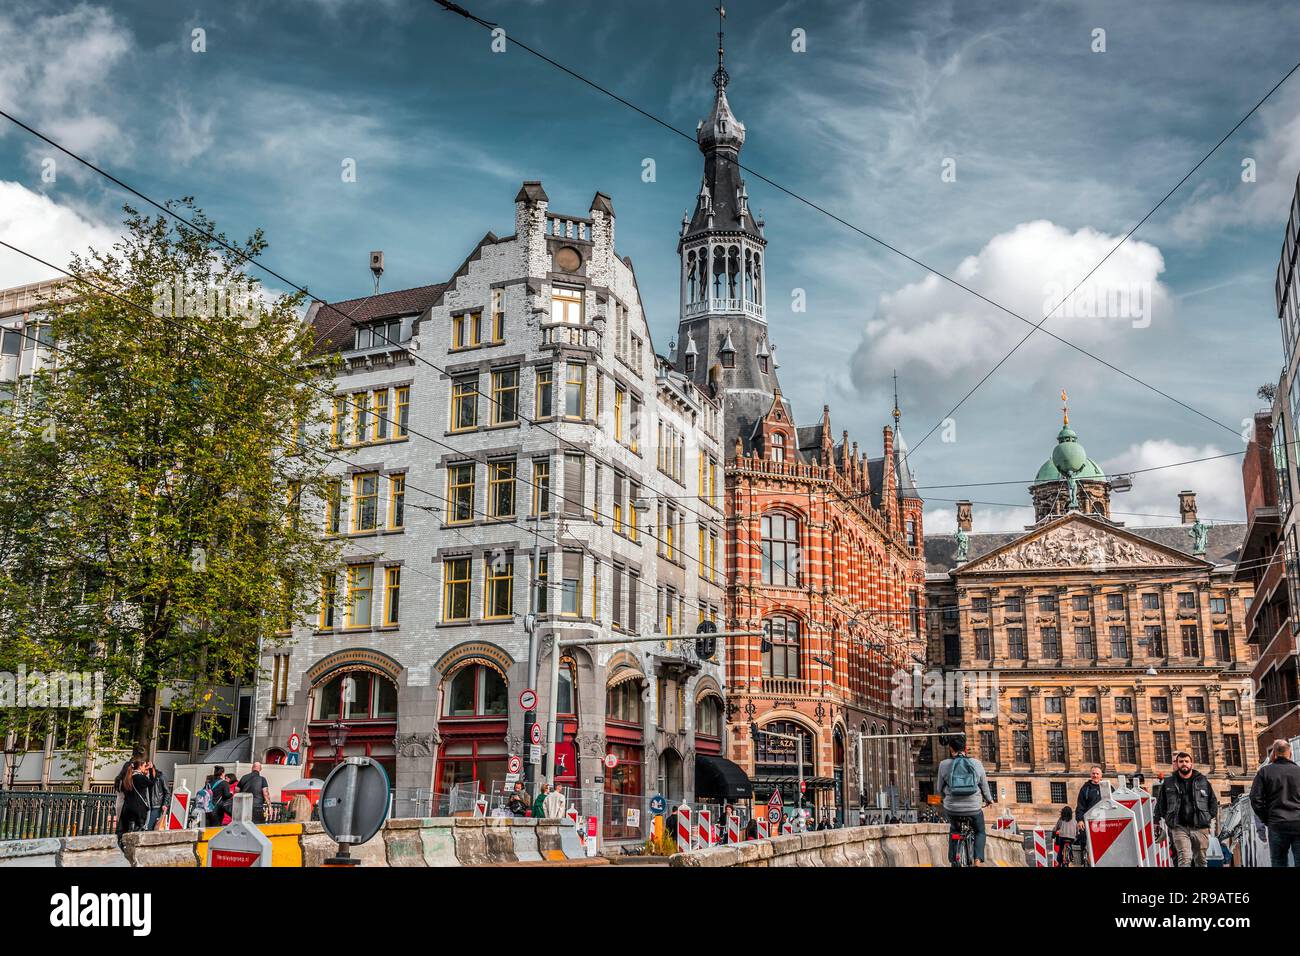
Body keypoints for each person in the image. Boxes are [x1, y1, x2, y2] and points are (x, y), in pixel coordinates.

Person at [1153, 750, 1217, 867]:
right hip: (1179, 827)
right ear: (1177, 764)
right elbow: (1160, 804)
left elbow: (1212, 801)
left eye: (1186, 761)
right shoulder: (1168, 782)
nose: (1184, 764)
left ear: (1191, 764)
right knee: (1185, 858)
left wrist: (1207, 817)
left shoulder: (1203, 781)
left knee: (1201, 860)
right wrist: (1158, 820)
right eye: (1181, 761)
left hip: (1200, 826)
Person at [936, 734, 993, 866]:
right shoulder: (976, 763)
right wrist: (989, 800)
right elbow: (984, 785)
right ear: (965, 748)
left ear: (951, 749)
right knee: (980, 831)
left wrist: (944, 800)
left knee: (954, 831)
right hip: (973, 808)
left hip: (952, 809)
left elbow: (939, 788)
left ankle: (954, 860)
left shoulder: (943, 765)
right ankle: (978, 860)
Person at [1250, 738, 1300, 867]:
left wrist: (1267, 819)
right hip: (1298, 823)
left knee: (1278, 863)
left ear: (1274, 754)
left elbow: (1255, 799)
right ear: (1290, 754)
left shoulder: (1264, 772)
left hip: (1277, 824)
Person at [1074, 765, 1103, 863]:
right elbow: (1080, 805)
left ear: (1101, 775)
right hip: (1089, 822)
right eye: (1093, 773)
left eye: (1097, 774)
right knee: (1088, 846)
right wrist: (1080, 820)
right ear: (1090, 775)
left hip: (1104, 822)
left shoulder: (1107, 787)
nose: (1095, 775)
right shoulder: (1085, 788)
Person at [115, 760, 151, 837]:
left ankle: (122, 841)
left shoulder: (121, 779)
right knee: (133, 827)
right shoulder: (132, 778)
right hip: (131, 804)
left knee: (123, 827)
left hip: (121, 804)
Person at [143, 761, 170, 830]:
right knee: (146, 828)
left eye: (146, 769)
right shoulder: (145, 777)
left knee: (150, 828)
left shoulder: (160, 777)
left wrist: (165, 804)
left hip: (156, 806)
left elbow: (167, 792)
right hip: (146, 806)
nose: (144, 771)